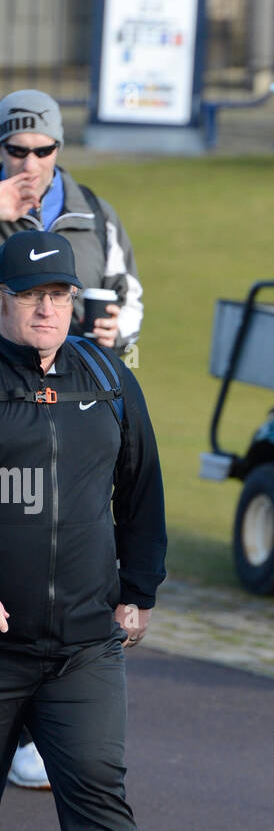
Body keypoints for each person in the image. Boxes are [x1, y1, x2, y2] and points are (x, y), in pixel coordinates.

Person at [0, 230, 205, 831]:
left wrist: (138, 589)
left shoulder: (107, 379)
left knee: (99, 799)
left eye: (60, 296)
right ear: (5, 300)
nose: (48, 309)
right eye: (31, 296)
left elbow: (142, 489)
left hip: (84, 644)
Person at [0, 89, 145, 791]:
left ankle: (51, 716)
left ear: (60, 149)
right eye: (16, 150)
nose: (29, 162)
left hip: (84, 396)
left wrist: (122, 332)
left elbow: (129, 289)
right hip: (9, 402)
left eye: (42, 150)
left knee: (76, 535)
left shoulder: (94, 212)